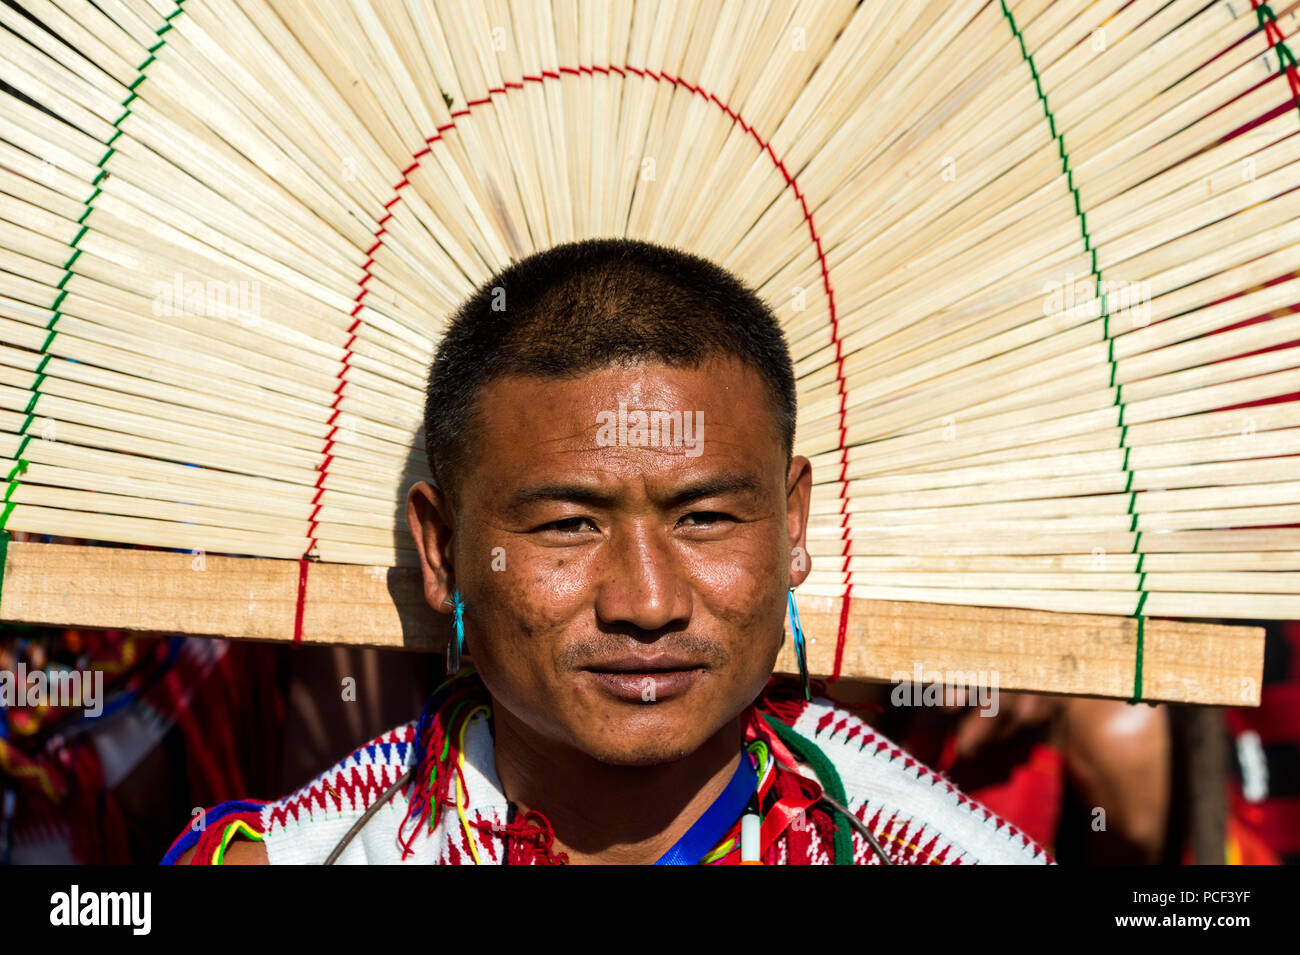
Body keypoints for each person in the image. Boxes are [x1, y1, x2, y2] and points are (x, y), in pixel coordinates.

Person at [164, 237, 1053, 865]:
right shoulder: (302, 855)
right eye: (567, 524)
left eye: (704, 518)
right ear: (441, 551)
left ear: (793, 528)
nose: (648, 600)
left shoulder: (925, 848)